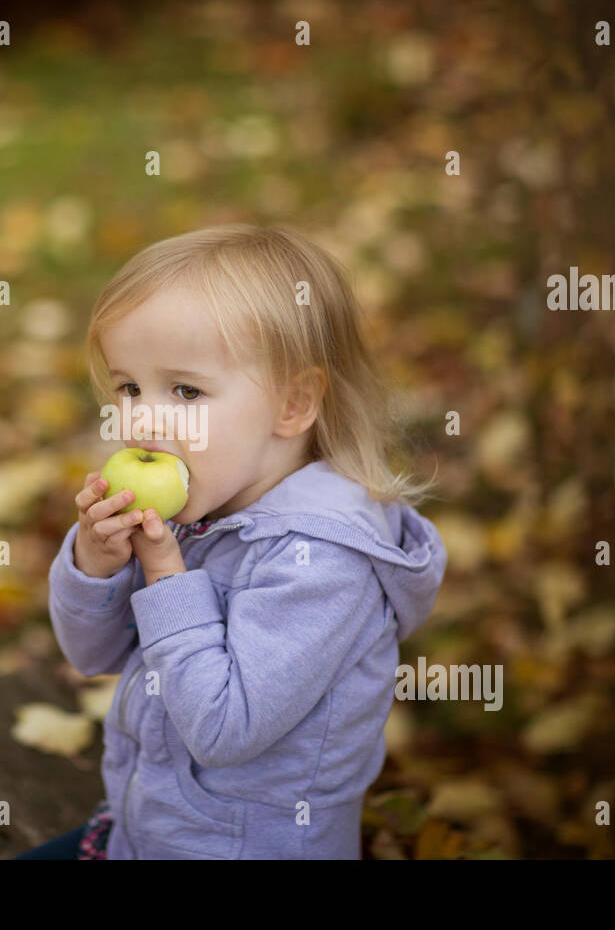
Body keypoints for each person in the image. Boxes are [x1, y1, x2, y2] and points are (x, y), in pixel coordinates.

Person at [30, 224, 447, 859]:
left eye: (186, 391)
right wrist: (97, 564)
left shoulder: (323, 563)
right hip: (147, 834)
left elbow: (225, 728)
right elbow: (91, 654)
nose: (141, 419)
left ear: (293, 403)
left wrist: (169, 577)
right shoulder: (206, 505)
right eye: (129, 387)